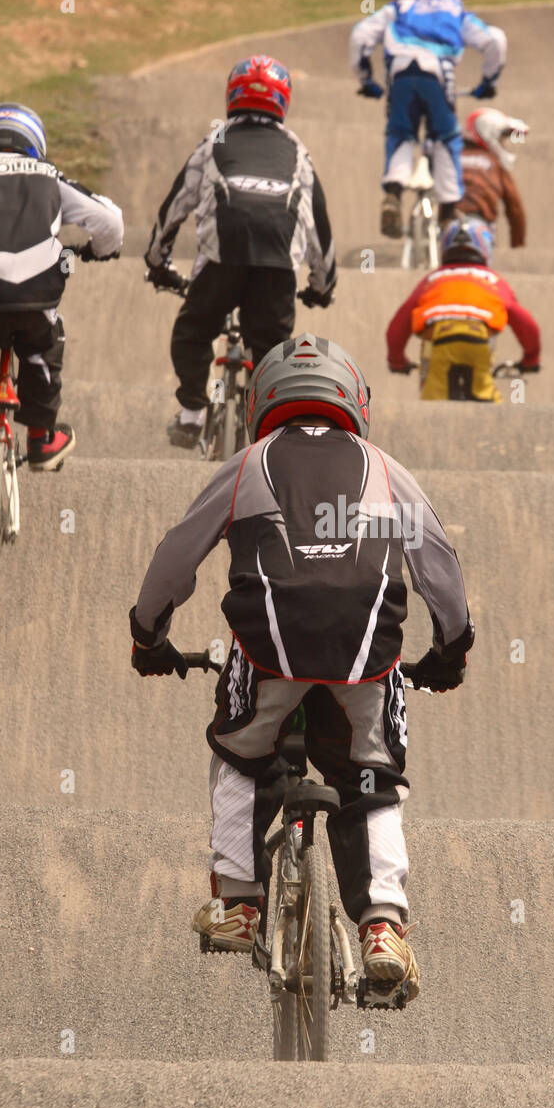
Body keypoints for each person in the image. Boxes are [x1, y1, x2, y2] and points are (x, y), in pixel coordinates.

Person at [129, 333, 474, 997]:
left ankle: (237, 901)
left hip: (268, 651)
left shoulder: (249, 463)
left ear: (262, 401)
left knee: (238, 755)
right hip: (367, 657)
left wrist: (149, 633)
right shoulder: (386, 469)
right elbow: (438, 564)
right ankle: (382, 927)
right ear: (353, 400)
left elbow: (177, 555)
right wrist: (452, 648)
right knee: (370, 776)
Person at [144, 55, 337, 450]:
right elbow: (318, 225)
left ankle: (193, 414)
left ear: (232, 95)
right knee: (271, 350)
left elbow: (174, 208)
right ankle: (271, 433)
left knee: (194, 331)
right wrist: (322, 284)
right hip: (279, 265)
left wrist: (157, 262)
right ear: (283, 100)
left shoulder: (214, 140)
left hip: (222, 259)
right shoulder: (298, 151)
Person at [0, 102, 123, 470]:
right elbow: (109, 221)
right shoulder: (50, 176)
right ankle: (41, 438)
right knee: (44, 347)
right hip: (37, 293)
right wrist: (98, 252)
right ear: (34, 143)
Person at [349, 0, 507, 239]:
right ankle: (448, 211)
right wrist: (488, 83)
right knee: (446, 137)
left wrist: (366, 81)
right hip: (438, 74)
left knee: (401, 134)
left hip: (399, 73)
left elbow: (360, 35)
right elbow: (495, 41)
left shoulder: (400, 6)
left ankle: (393, 194)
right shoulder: (457, 12)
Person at [385, 219, 540, 402]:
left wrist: (397, 361)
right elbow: (525, 323)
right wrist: (530, 359)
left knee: (434, 407)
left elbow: (398, 326)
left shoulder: (432, 279)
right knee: (489, 403)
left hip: (440, 339)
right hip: (478, 340)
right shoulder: (494, 280)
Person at [460, 108, 528, 249]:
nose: (502, 143)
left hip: (451, 222)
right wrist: (518, 240)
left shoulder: (454, 158)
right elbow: (514, 206)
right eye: (501, 138)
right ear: (488, 133)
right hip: (481, 227)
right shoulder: (496, 164)